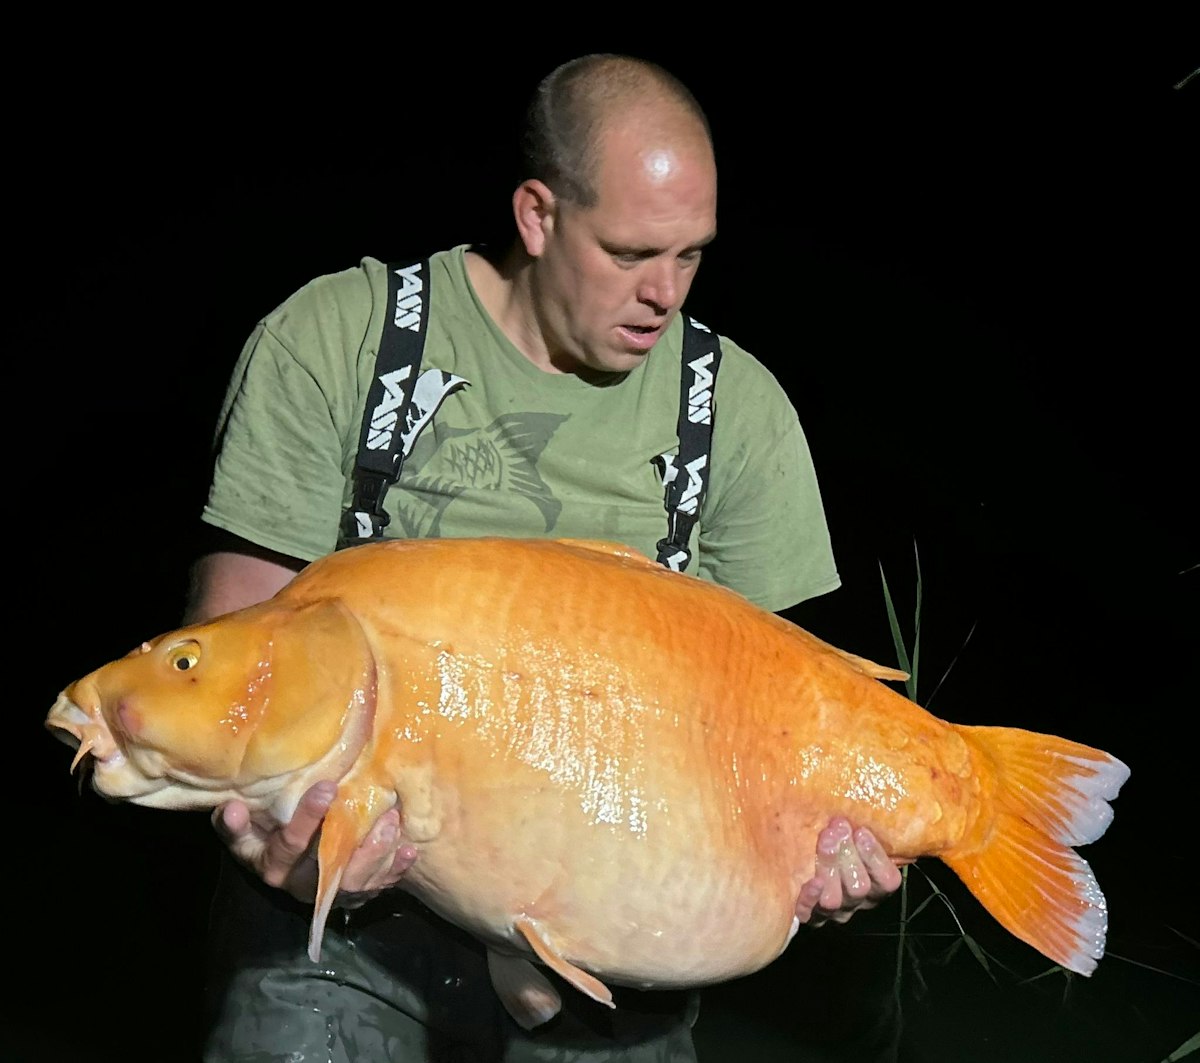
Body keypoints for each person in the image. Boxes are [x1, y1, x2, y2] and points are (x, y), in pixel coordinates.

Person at [187, 53, 904, 1063]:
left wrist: (826, 856)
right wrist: (287, 835)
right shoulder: (344, 338)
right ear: (537, 215)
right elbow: (229, 657)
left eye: (691, 257)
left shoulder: (737, 415)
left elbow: (788, 722)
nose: (665, 294)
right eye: (630, 252)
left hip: (614, 955)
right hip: (344, 928)